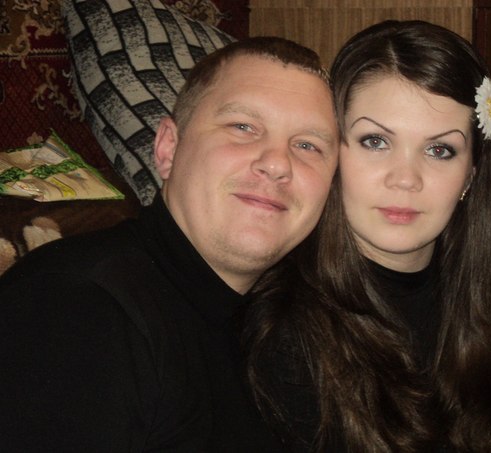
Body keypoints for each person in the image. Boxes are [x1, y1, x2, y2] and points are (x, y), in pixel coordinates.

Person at [243, 21, 491, 452]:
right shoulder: (280, 329)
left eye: (439, 150)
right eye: (375, 141)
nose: (405, 178)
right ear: (332, 150)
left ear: (471, 175)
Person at [0, 37, 338, 451]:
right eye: (243, 127)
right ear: (168, 149)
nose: (278, 163)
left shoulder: (294, 324)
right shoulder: (77, 309)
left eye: (308, 146)